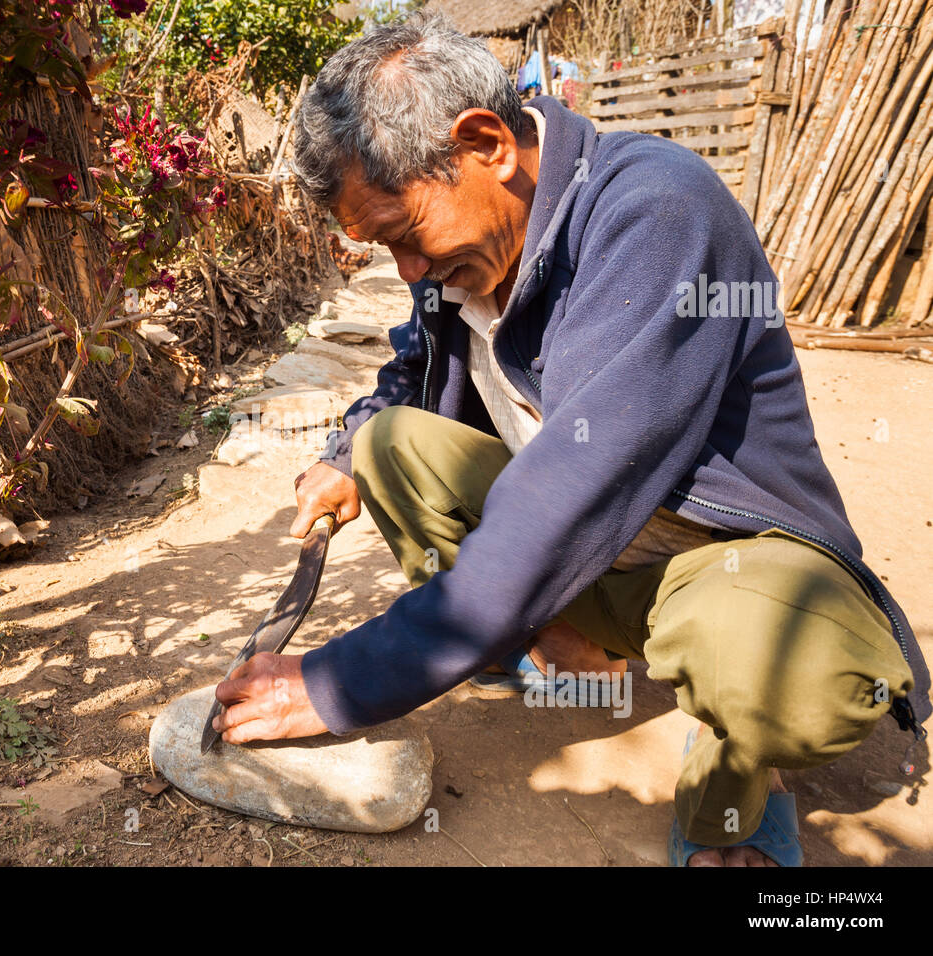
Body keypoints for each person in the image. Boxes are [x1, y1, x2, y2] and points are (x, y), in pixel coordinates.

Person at [208, 12, 929, 866]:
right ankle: (554, 636)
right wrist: (342, 461)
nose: (406, 272)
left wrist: (340, 684)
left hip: (717, 560)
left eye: (403, 236)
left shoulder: (655, 211)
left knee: (801, 674)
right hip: (591, 556)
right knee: (391, 445)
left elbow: (566, 495)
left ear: (486, 144)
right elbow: (411, 371)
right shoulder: (469, 248)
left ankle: (732, 782)